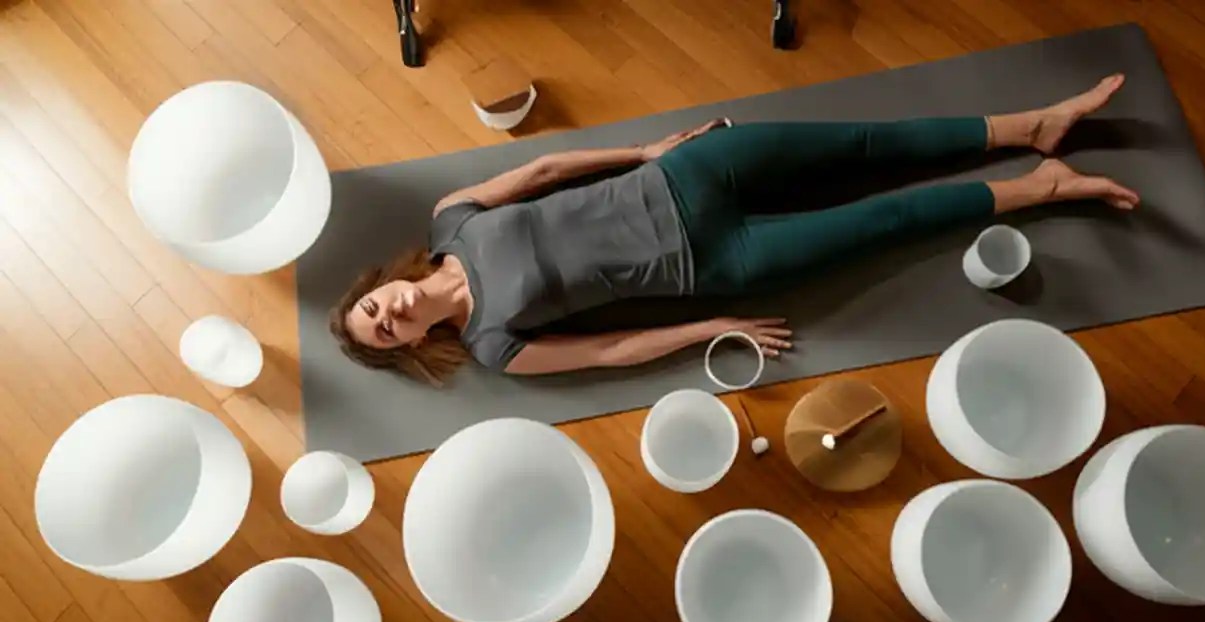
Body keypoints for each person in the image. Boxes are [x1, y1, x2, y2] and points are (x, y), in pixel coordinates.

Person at [332, 75, 1138, 385]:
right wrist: (714, 326)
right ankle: (1041, 188)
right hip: (717, 260)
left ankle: (1032, 123)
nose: (390, 312)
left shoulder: (453, 219)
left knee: (867, 146)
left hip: (684, 175)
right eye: (385, 332)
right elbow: (613, 348)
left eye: (374, 306)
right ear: (407, 345)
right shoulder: (495, 347)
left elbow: (545, 172)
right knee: (884, 221)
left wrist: (648, 149)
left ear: (379, 287)